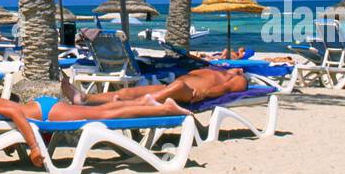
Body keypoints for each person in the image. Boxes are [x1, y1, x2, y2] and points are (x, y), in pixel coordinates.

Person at [0, 86, 190, 168]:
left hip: (46, 111)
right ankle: (149, 103)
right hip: (43, 110)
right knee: (103, 113)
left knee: (103, 115)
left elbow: (14, 112)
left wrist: (33, 146)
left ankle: (159, 107)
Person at [61, 66, 250, 106]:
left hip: (189, 93)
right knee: (126, 91)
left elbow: (226, 90)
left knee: (177, 85)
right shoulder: (215, 69)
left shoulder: (240, 79)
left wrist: (205, 92)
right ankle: (85, 99)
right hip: (173, 87)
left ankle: (142, 104)